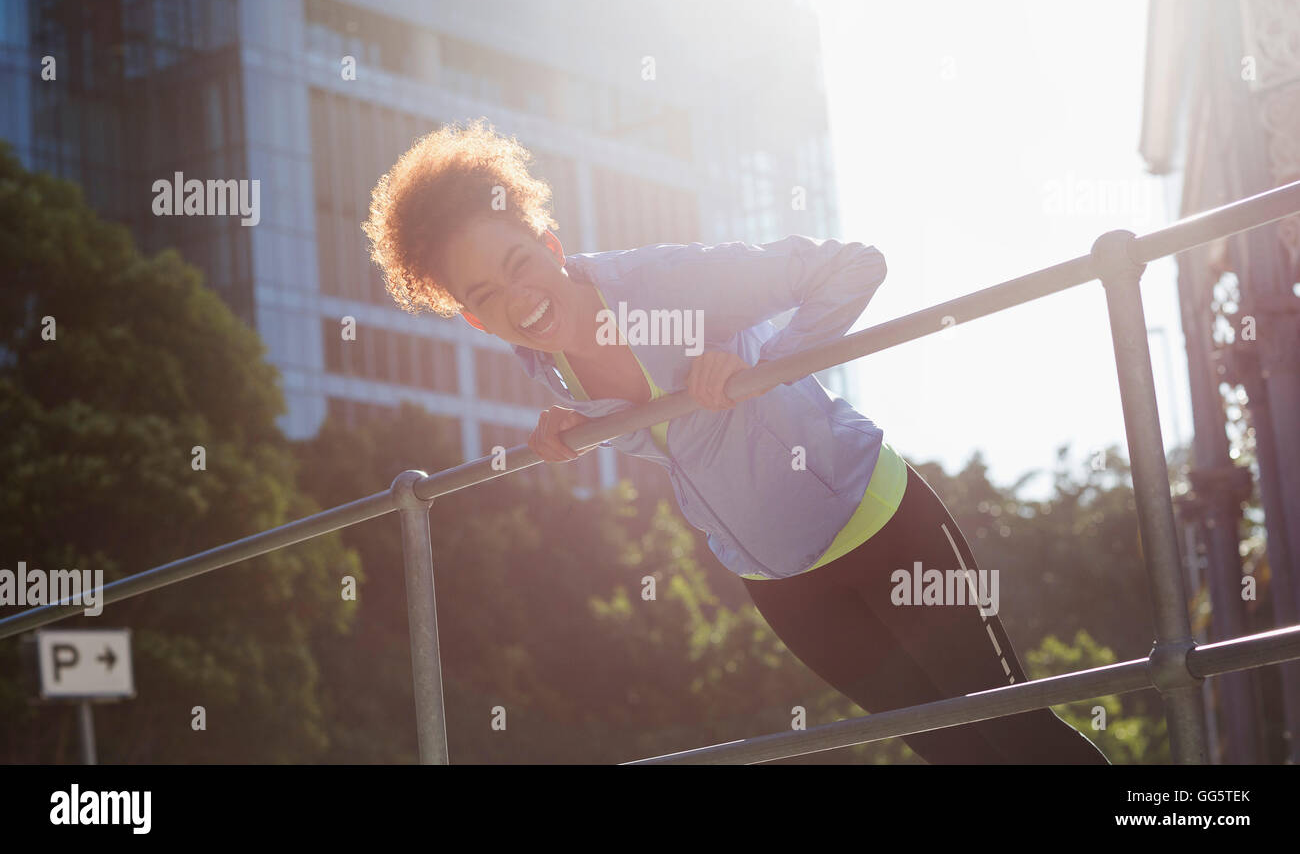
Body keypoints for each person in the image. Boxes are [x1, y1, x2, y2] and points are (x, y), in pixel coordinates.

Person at [364, 118, 1109, 764]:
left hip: (879, 524)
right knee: (955, 753)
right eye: (485, 297)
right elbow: (668, 436)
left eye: (519, 265)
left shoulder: (668, 284)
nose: (517, 300)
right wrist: (573, 428)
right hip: (784, 589)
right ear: (471, 318)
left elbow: (854, 267)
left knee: (1017, 735)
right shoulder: (542, 365)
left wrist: (759, 368)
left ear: (549, 244)